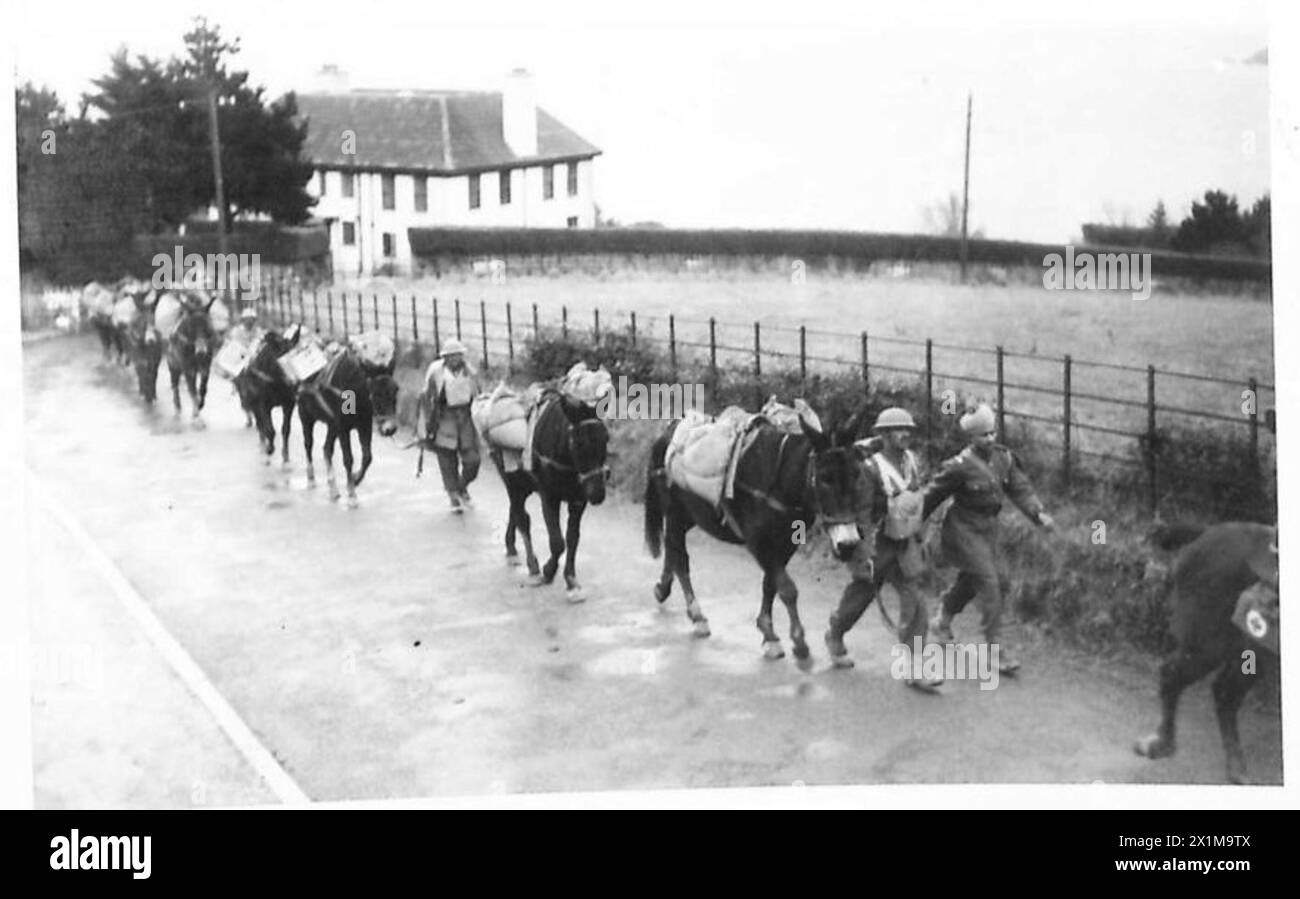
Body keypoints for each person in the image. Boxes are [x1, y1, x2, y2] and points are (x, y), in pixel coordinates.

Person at [922, 403, 1054, 674]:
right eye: (983, 435)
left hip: (989, 530)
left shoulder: (1003, 458)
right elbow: (930, 497)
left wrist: (1038, 513)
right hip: (962, 529)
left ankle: (942, 619)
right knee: (989, 583)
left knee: (983, 579)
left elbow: (1021, 489)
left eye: (993, 432)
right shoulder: (958, 466)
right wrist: (907, 526)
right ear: (971, 438)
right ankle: (996, 651)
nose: (990, 439)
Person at [824, 407, 943, 692]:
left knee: (915, 600)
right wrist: (863, 554)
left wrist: (921, 534)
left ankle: (915, 667)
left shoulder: (912, 461)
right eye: (898, 430)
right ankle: (836, 632)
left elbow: (918, 497)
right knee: (862, 593)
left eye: (908, 430)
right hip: (878, 543)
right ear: (884, 435)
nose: (905, 435)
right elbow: (863, 514)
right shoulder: (870, 469)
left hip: (905, 542)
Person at [424, 338, 481, 512]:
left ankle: (461, 486)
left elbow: (479, 393)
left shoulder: (470, 372)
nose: (456, 359)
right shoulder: (436, 372)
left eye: (458, 355)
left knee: (473, 460)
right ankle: (453, 495)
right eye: (451, 355)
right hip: (444, 418)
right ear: (445, 357)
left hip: (465, 417)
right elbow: (426, 396)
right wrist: (426, 424)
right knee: (447, 461)